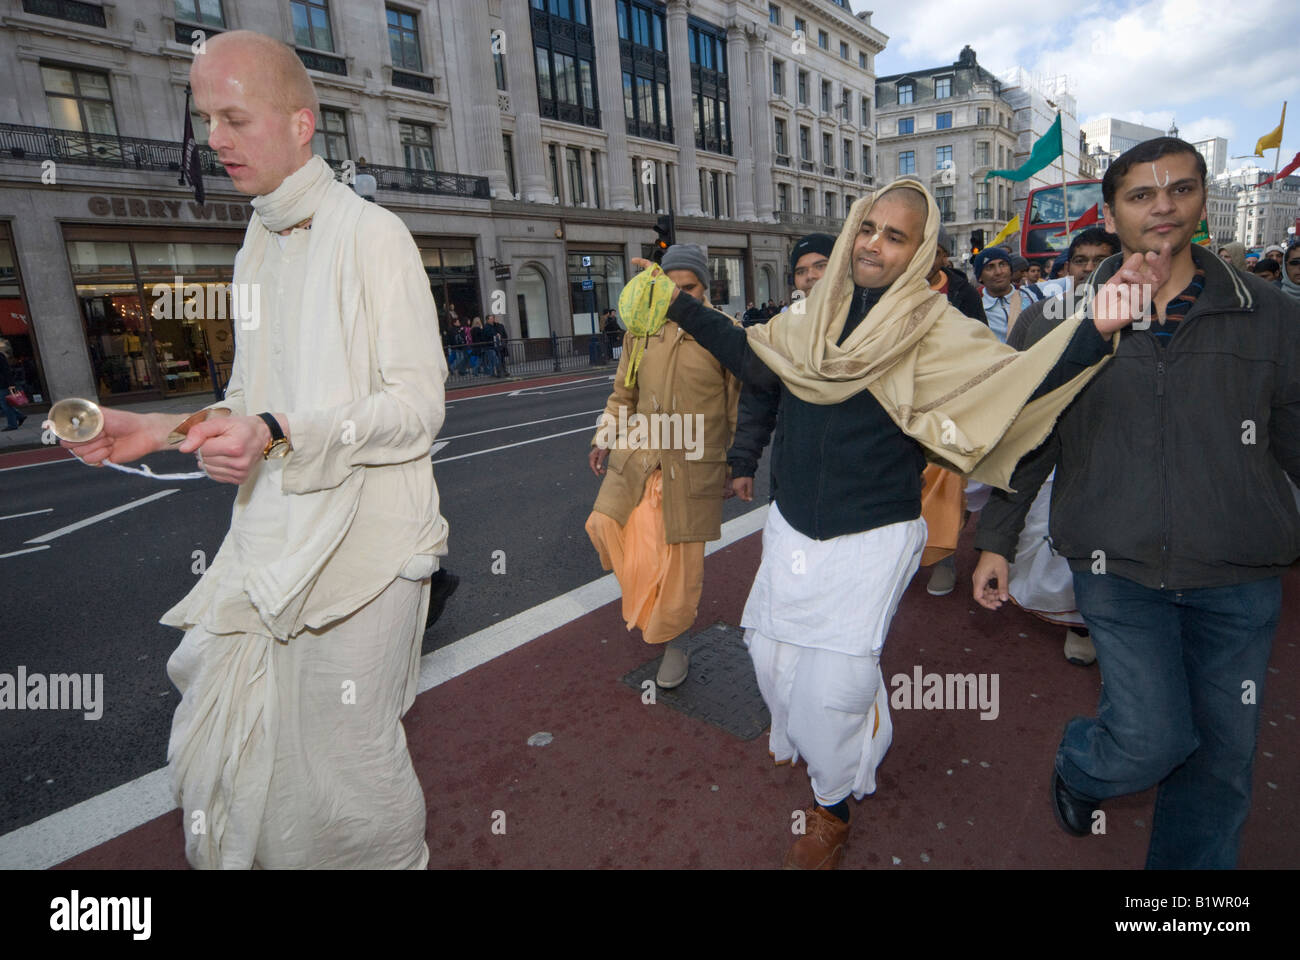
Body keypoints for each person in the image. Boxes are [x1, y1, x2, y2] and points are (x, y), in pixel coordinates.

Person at [648, 177, 1135, 869]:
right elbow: (757, 365)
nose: (875, 244)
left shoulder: (936, 330)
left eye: (895, 236)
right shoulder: (809, 315)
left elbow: (1019, 382)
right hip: (791, 525)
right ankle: (850, 727)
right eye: (869, 228)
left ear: (918, 252)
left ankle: (831, 807)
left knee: (834, 687)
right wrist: (677, 305)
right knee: (772, 662)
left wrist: (1095, 331)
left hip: (875, 533)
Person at [59, 30, 450, 869]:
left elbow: (418, 407)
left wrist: (278, 434)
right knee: (252, 757)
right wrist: (159, 429)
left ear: (302, 123)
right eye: (207, 121)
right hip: (271, 537)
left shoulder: (373, 235)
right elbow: (250, 396)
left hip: (368, 552)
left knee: (350, 778)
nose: (217, 142)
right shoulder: (256, 244)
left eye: (235, 118)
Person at [972, 136, 1300, 868]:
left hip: (1240, 574)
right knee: (1151, 736)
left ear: (1202, 202)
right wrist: (996, 537)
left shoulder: (1273, 316)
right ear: (1112, 213)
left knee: (1221, 761)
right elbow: (1030, 438)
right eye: (1142, 195)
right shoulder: (1067, 324)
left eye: (1180, 189)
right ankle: (1084, 764)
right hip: (1115, 567)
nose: (1163, 206)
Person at [586, 243, 740, 689]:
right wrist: (605, 436)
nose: (678, 297)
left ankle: (677, 642)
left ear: (704, 288)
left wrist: (734, 466)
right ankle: (652, 605)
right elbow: (623, 395)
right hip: (641, 456)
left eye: (687, 288)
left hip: (695, 463)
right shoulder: (640, 329)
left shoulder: (723, 332)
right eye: (669, 287)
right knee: (605, 525)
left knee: (678, 566)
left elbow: (735, 408)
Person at [995, 226, 1122, 666]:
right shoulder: (1039, 316)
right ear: (1067, 267)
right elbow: (1009, 374)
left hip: (1112, 453)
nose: (1089, 270)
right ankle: (1069, 617)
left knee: (1102, 542)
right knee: (1042, 534)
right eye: (1081, 261)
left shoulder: (1144, 318)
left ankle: (1090, 622)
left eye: (1100, 260)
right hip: (1044, 446)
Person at [728, 232, 835, 506]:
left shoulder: (869, 321)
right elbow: (758, 401)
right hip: (793, 481)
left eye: (820, 266)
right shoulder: (782, 331)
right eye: (801, 270)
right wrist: (743, 465)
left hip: (861, 491)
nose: (810, 276)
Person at [922, 229, 988, 596]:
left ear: (944, 257)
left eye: (933, 251)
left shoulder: (962, 293)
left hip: (951, 403)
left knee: (945, 481)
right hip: (903, 403)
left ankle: (942, 560)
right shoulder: (892, 291)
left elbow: (979, 343)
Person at [973, 248, 1021, 343]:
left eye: (1002, 264)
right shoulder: (974, 309)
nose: (998, 272)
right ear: (980, 277)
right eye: (989, 267)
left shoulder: (1031, 297)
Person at [0, 350, 28, 432]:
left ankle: (12, 424)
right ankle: (20, 416)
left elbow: (6, 370)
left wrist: (11, 384)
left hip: (3, 384)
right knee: (5, 404)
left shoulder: (0, 356)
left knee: (5, 405)